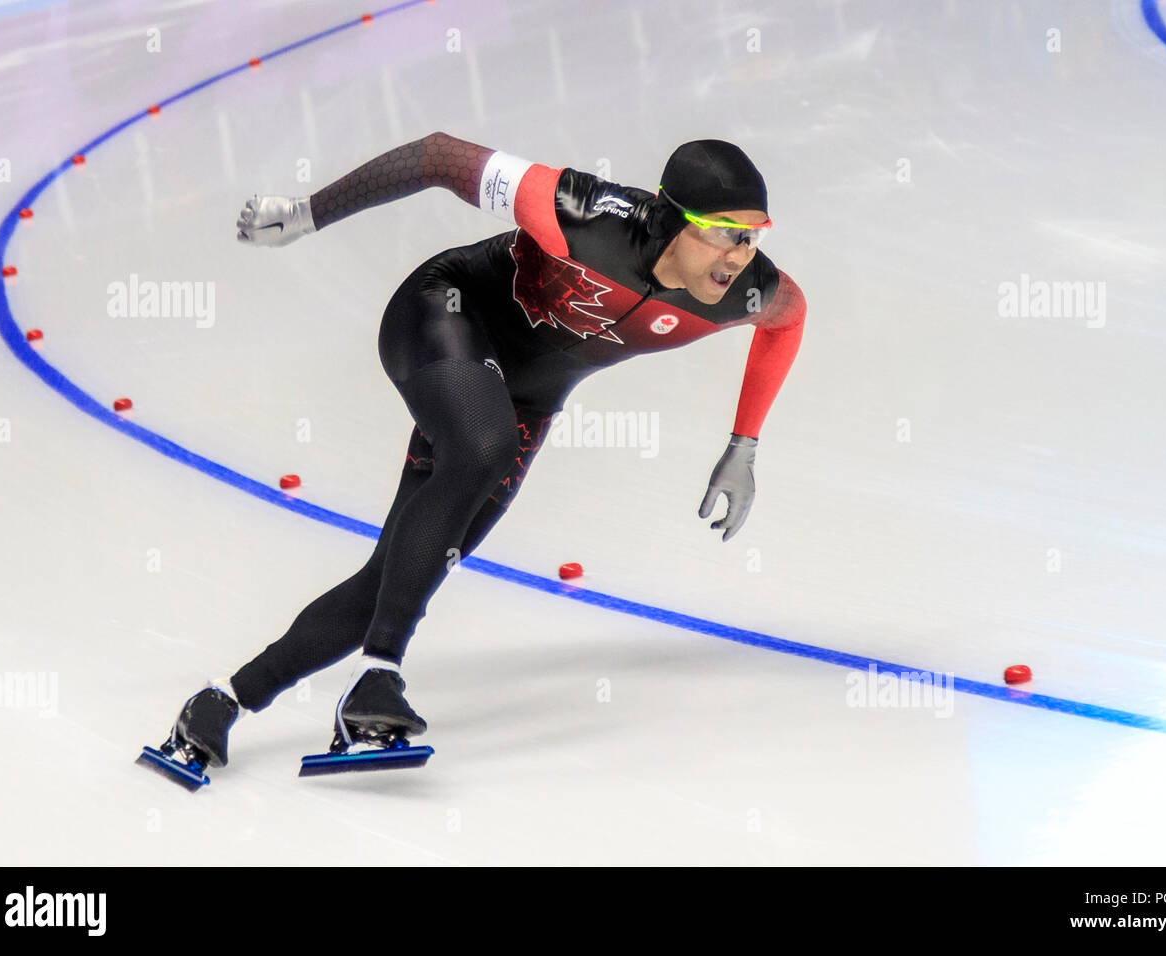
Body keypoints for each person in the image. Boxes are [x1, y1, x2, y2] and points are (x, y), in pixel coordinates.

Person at [147, 134, 806, 777]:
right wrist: (305, 214)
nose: (740, 254)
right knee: (483, 449)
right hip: (443, 313)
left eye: (753, 235)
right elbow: (437, 156)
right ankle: (379, 677)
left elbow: (789, 320)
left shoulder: (752, 289)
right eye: (724, 231)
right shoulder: (580, 212)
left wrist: (743, 444)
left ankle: (220, 702)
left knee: (403, 572)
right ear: (669, 217)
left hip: (526, 399)